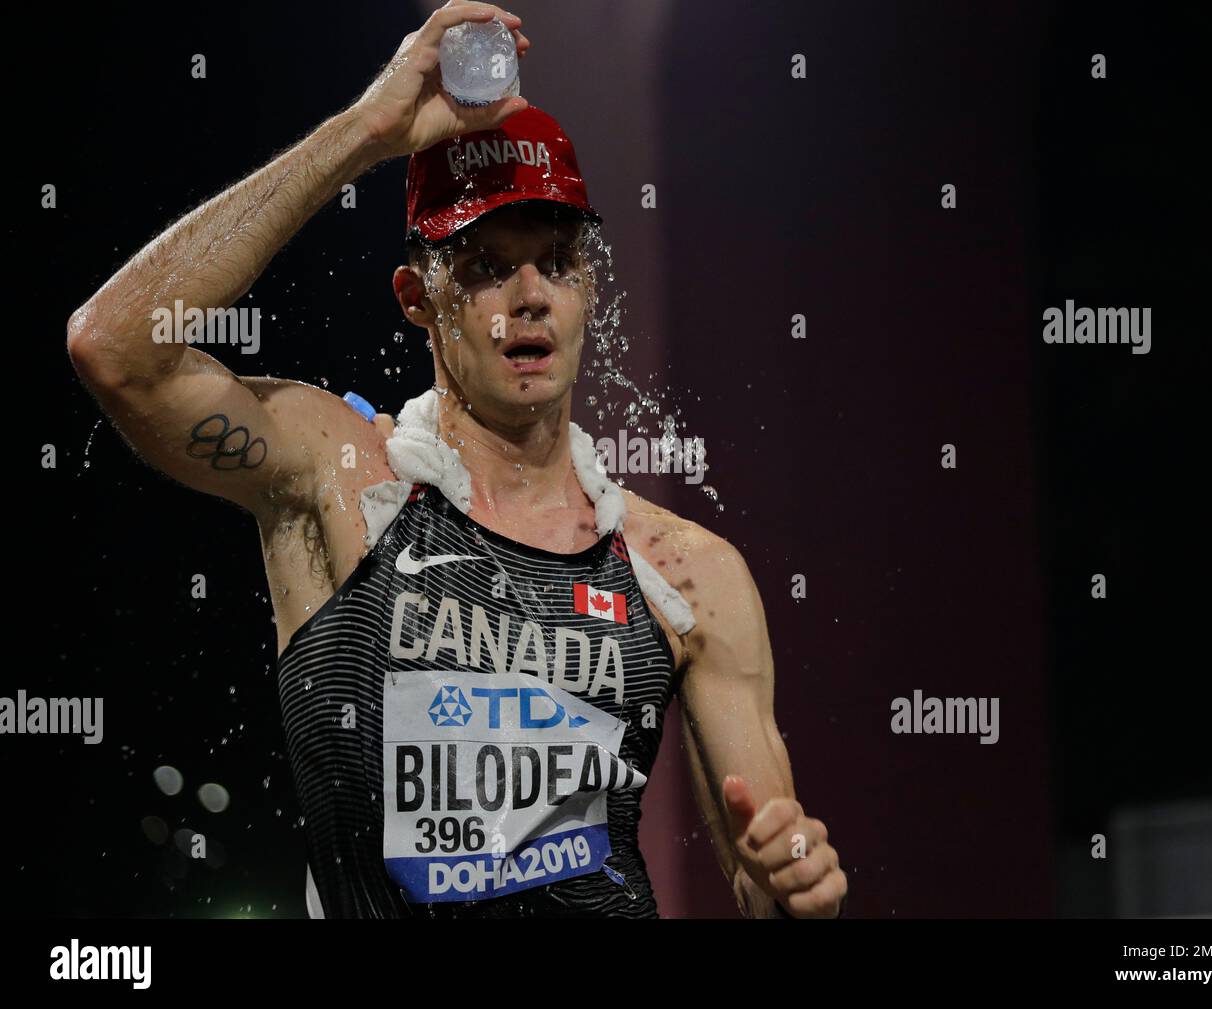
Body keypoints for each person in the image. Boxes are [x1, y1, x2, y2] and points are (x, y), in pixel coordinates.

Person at [66, 0, 846, 919]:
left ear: (589, 287)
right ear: (416, 296)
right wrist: (364, 134)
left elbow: (766, 885)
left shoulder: (687, 574)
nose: (527, 297)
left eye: (557, 261)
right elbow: (115, 349)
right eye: (483, 265)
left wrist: (796, 890)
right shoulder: (344, 478)